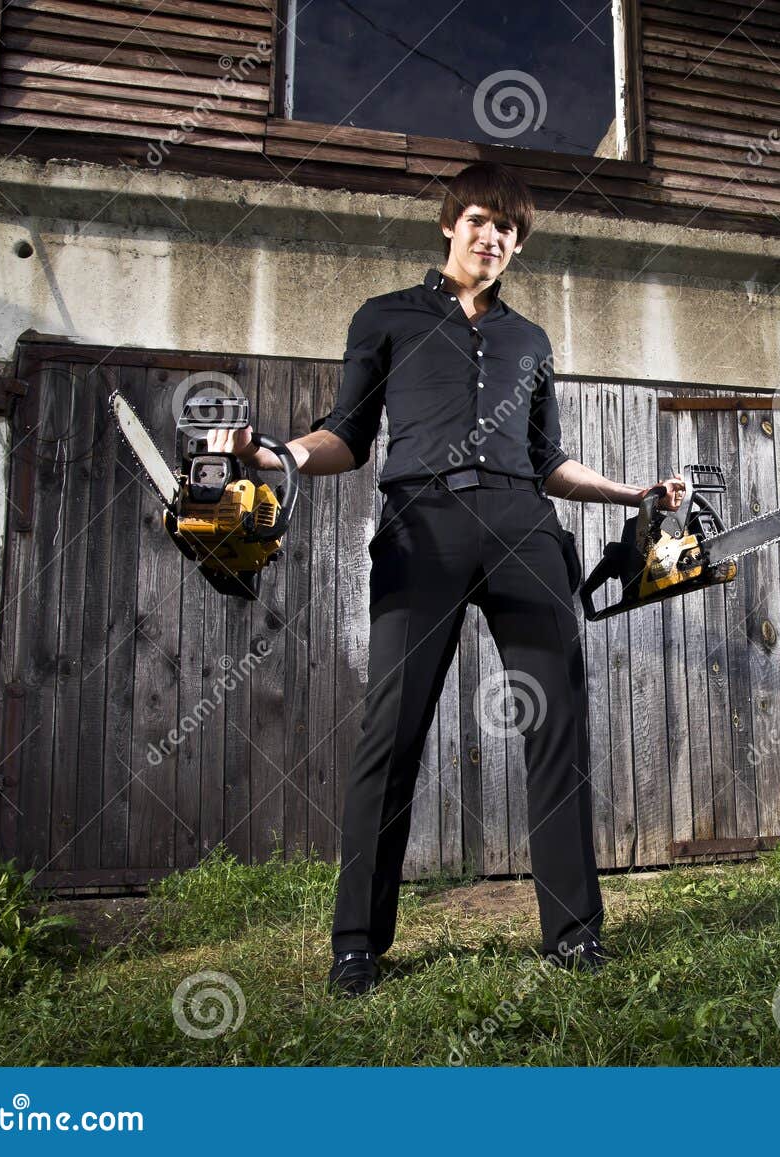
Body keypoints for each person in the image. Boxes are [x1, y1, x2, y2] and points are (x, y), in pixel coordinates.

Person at [210, 162, 685, 997]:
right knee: (390, 732)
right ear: (448, 224)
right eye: (479, 220)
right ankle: (357, 942)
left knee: (558, 720)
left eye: (509, 230)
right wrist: (278, 455)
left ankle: (574, 934)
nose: (492, 238)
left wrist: (632, 491)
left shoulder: (530, 341)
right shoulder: (386, 317)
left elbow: (547, 459)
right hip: (419, 526)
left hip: (521, 528)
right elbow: (347, 434)